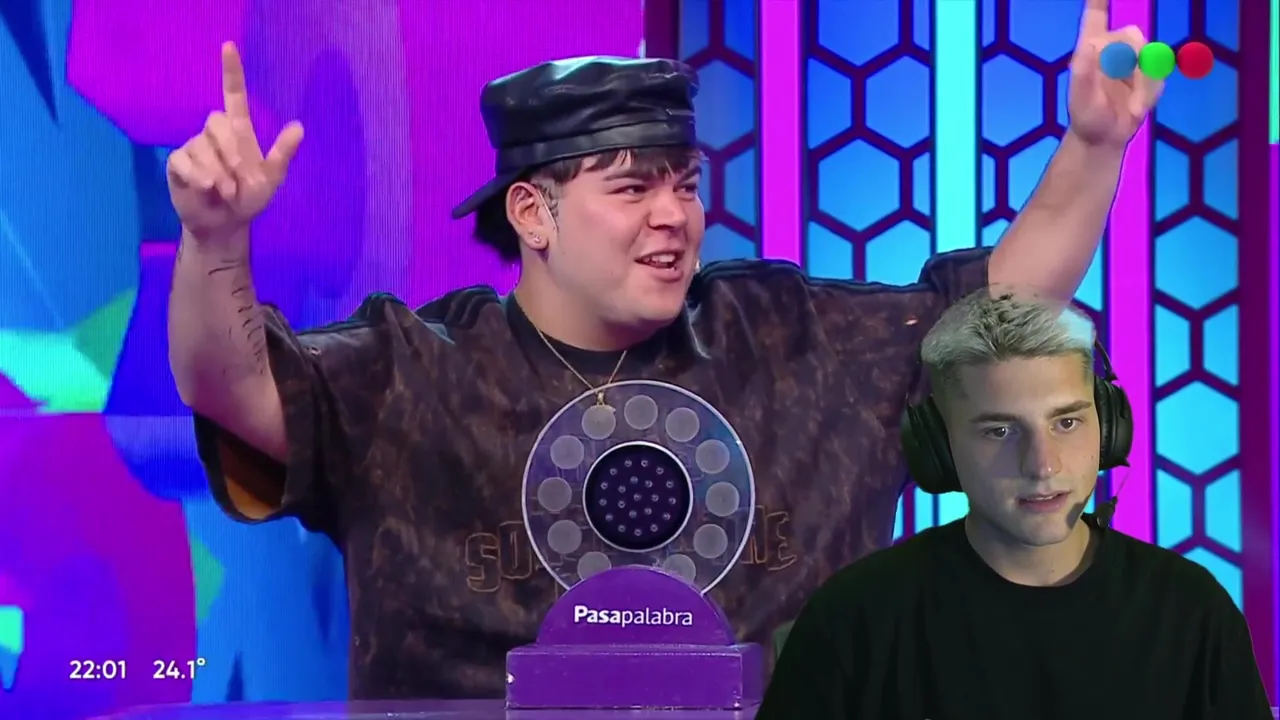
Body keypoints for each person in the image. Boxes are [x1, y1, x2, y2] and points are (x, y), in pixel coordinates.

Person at [165, 0, 1162, 699]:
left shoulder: (792, 337)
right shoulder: (410, 374)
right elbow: (232, 389)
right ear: (533, 213)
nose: (674, 215)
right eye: (632, 187)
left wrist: (1092, 145)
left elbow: (998, 309)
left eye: (684, 183)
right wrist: (214, 240)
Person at [756, 292, 1274, 720]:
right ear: (938, 446)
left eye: (1067, 422)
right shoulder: (853, 620)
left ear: (1108, 426)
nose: (1042, 464)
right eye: (1000, 431)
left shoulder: (1189, 611)